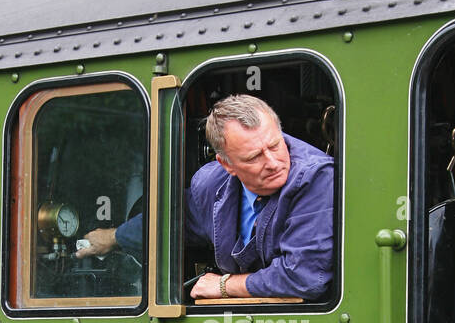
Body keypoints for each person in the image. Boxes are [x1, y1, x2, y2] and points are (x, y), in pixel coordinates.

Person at [76, 95, 334, 301]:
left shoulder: (316, 178)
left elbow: (303, 276)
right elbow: (170, 223)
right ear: (227, 164)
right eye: (254, 157)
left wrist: (223, 285)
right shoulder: (211, 184)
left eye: (275, 145)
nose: (273, 162)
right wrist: (114, 237)